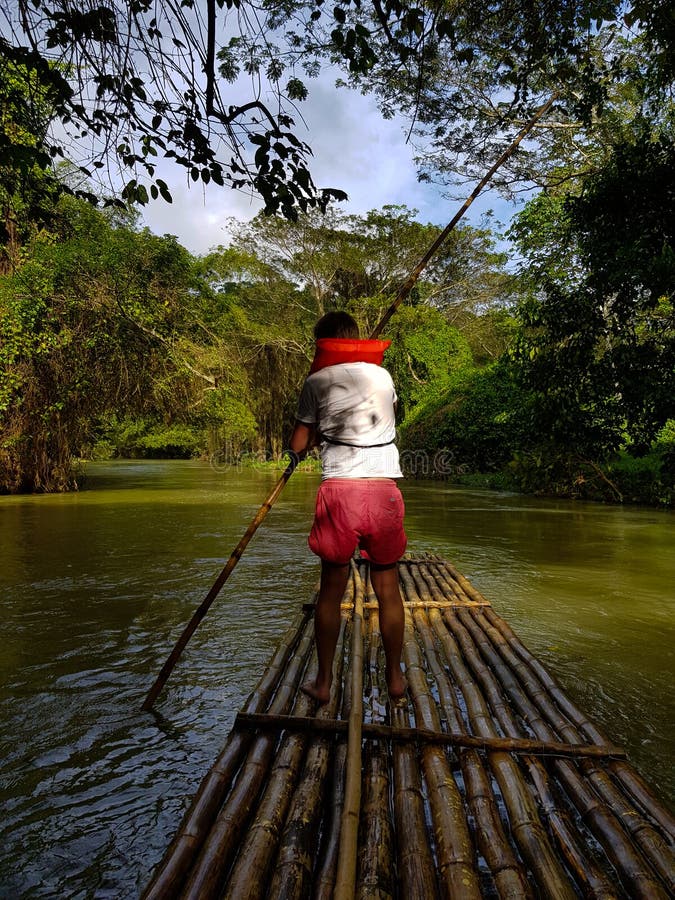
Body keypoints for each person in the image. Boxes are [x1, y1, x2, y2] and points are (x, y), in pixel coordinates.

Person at [289, 311, 407, 704]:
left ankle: (323, 683)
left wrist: (317, 431)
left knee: (330, 591)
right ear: (355, 338)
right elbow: (386, 417)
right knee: (387, 589)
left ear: (323, 343)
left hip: (340, 488)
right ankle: (395, 679)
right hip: (383, 487)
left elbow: (298, 445)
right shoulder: (384, 376)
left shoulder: (316, 381)